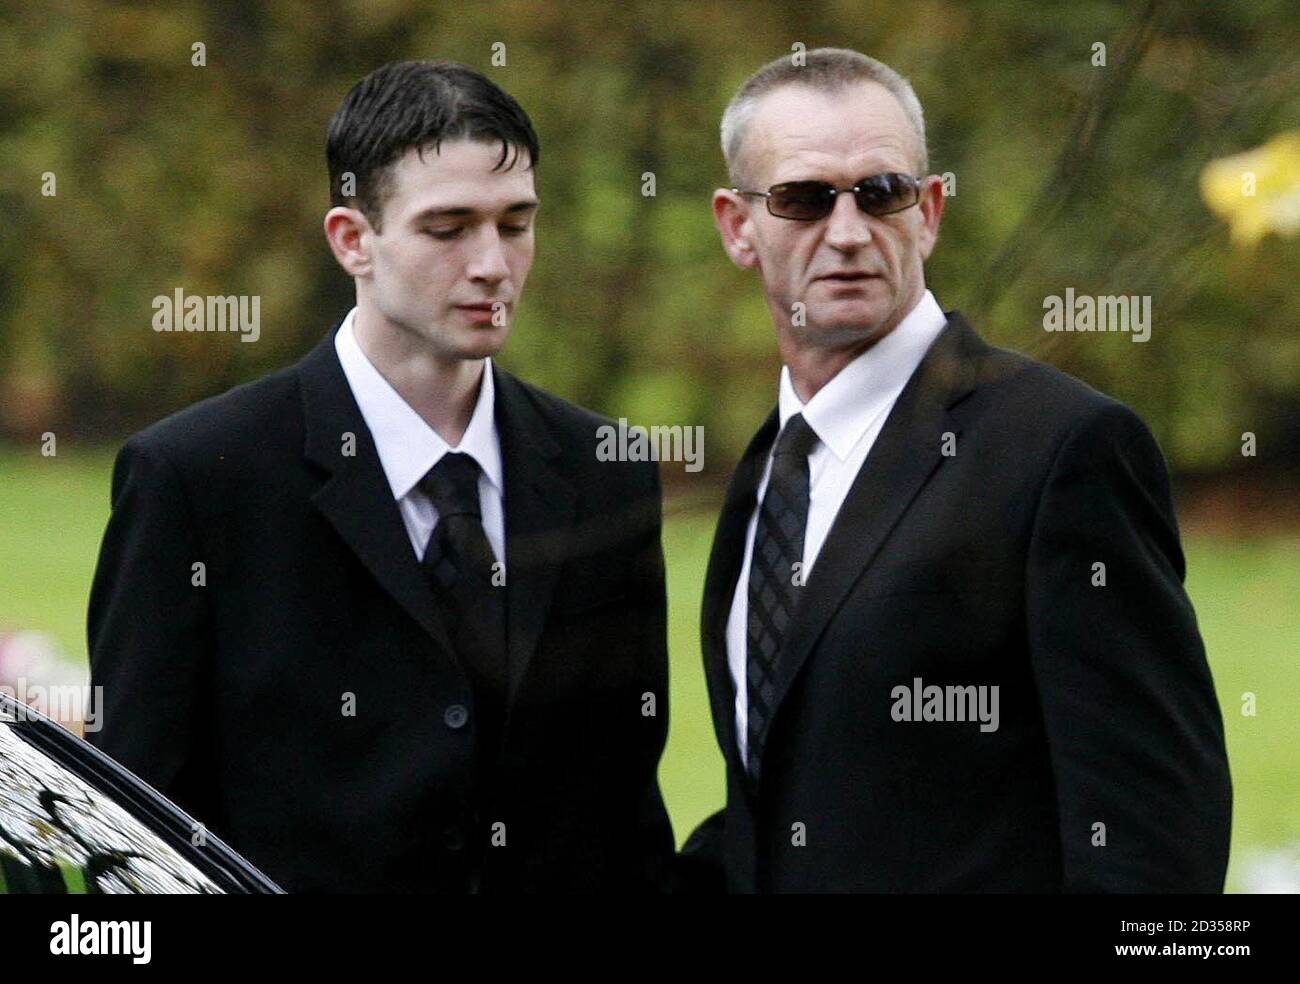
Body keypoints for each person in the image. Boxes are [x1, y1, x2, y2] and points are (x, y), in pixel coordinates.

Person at [86, 60, 674, 893]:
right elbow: (135, 832)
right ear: (352, 239)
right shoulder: (198, 479)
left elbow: (623, 810)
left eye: (516, 223)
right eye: (448, 228)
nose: (492, 264)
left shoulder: (603, 470)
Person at [679, 48, 1231, 892]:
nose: (850, 231)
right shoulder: (768, 473)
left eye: (882, 193)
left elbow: (1152, 830)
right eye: (802, 199)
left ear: (929, 211)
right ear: (736, 226)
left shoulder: (1061, 447)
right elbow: (783, 804)